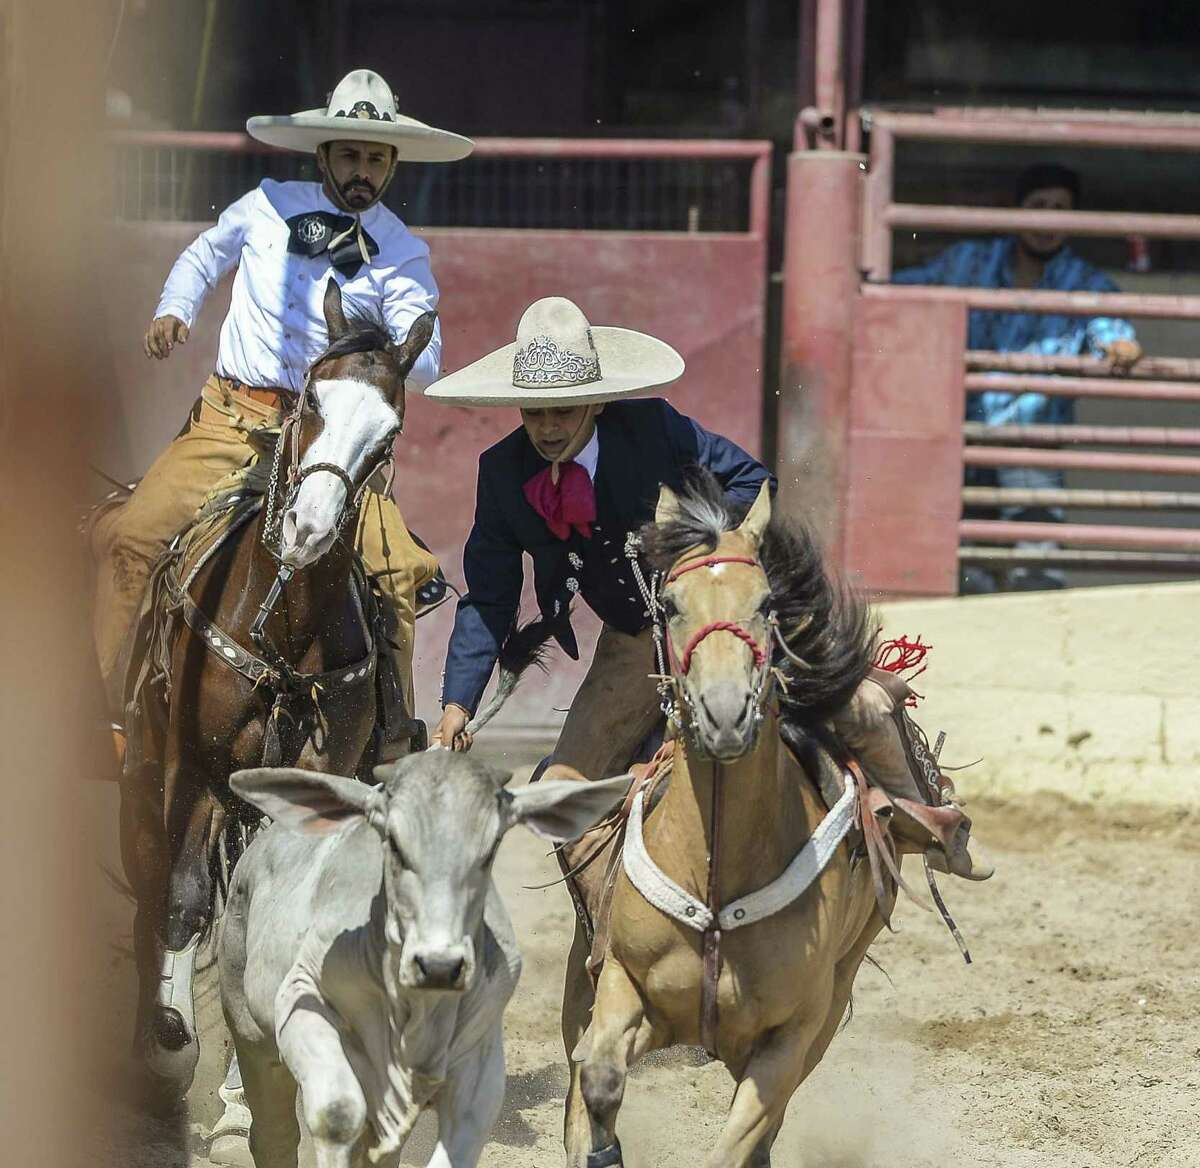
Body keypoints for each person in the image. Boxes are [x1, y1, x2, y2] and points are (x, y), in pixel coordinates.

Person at [424, 296, 991, 882]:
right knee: (558, 801)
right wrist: (455, 707)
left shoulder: (654, 429)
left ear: (594, 402)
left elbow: (752, 480)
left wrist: (692, 541)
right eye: (533, 412)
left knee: (864, 709)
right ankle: (609, 935)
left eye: (562, 411)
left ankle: (930, 822)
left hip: (729, 612)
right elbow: (489, 596)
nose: (546, 428)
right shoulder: (501, 472)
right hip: (635, 641)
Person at [91, 68, 473, 726]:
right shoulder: (265, 202)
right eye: (349, 154)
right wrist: (175, 308)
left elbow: (426, 356)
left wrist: (382, 347)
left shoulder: (403, 254)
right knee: (131, 537)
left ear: (392, 165)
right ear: (322, 154)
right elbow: (204, 256)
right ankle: (108, 716)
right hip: (232, 425)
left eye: (376, 158)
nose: (363, 169)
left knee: (396, 576)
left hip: (334, 445)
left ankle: (391, 735)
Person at [895, 162, 1141, 593]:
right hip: (964, 435)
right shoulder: (968, 262)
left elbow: (1111, 329)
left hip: (1033, 442)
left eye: (1060, 209)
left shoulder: (1085, 281)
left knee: (1035, 565)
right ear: (1016, 211)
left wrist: (1122, 346)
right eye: (1038, 206)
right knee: (966, 563)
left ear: (1074, 220)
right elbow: (899, 291)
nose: (1047, 220)